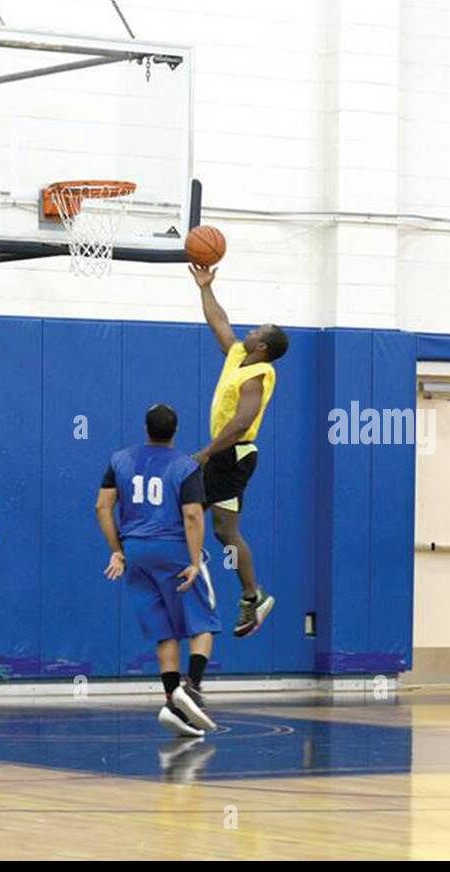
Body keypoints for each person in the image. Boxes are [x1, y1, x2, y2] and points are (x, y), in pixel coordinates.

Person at [97, 404, 218, 736]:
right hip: (173, 549)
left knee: (164, 632)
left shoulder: (120, 460)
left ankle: (171, 703)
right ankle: (191, 687)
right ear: (175, 431)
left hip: (136, 552)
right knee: (202, 623)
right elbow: (193, 515)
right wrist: (194, 562)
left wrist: (117, 551)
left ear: (146, 428)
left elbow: (102, 507)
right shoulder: (185, 465)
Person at [189, 263, 288, 637]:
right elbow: (219, 321)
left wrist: (206, 452)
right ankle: (249, 594)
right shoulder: (238, 357)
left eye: (257, 331)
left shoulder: (258, 375)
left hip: (234, 457)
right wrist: (205, 287)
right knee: (221, 530)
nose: (250, 330)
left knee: (218, 526)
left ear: (262, 347)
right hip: (225, 457)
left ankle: (251, 595)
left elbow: (243, 423)